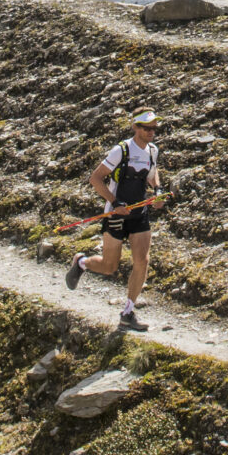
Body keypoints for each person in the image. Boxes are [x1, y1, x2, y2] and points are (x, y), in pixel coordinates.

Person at [65, 114, 162, 330]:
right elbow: (95, 178)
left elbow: (152, 174)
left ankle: (127, 312)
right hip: (116, 214)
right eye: (147, 128)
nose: (151, 132)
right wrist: (114, 202)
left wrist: (158, 191)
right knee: (109, 267)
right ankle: (81, 263)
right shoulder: (122, 150)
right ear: (136, 127)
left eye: (154, 128)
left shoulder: (153, 150)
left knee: (142, 261)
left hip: (139, 213)